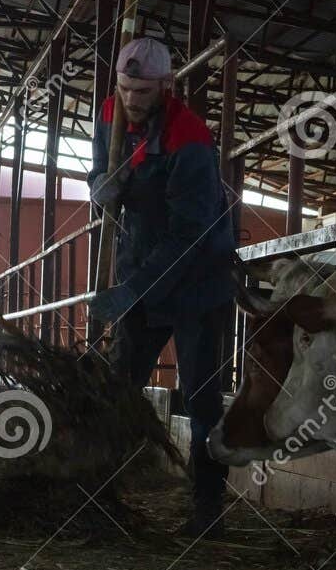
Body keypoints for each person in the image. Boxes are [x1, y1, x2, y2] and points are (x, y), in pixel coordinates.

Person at [88, 37, 236, 538]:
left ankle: (207, 506)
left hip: (197, 279)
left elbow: (187, 233)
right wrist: (98, 186)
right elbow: (99, 168)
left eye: (143, 90)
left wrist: (133, 290)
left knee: (200, 397)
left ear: (166, 87)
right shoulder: (109, 113)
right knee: (119, 384)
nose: (131, 99)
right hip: (142, 263)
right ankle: (97, 493)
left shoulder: (190, 138)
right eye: (125, 87)